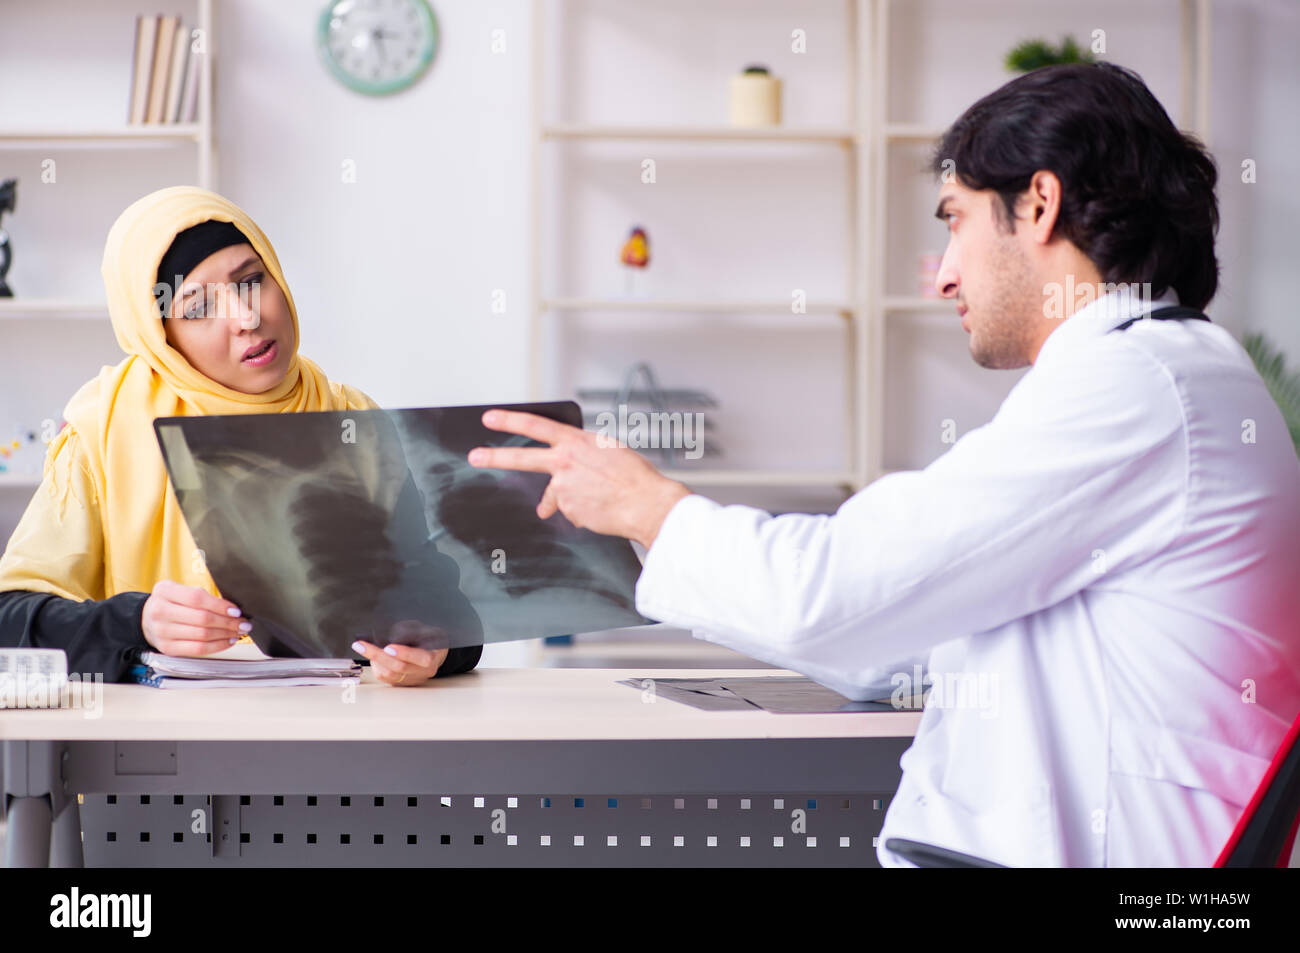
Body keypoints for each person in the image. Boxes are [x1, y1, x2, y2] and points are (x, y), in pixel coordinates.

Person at [466, 62, 1300, 866]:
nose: (942, 277)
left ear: (1038, 203)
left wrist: (651, 507)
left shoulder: (1133, 385)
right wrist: (651, 532)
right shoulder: (1170, 371)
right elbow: (893, 637)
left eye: (954, 220)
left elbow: (833, 596)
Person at [0, 185, 481, 686]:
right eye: (197, 307)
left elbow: (443, 604)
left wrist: (435, 649)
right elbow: (9, 623)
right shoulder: (103, 430)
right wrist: (137, 623)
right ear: (162, 338)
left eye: (251, 281)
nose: (246, 319)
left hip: (338, 734)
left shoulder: (349, 416)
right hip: (158, 747)